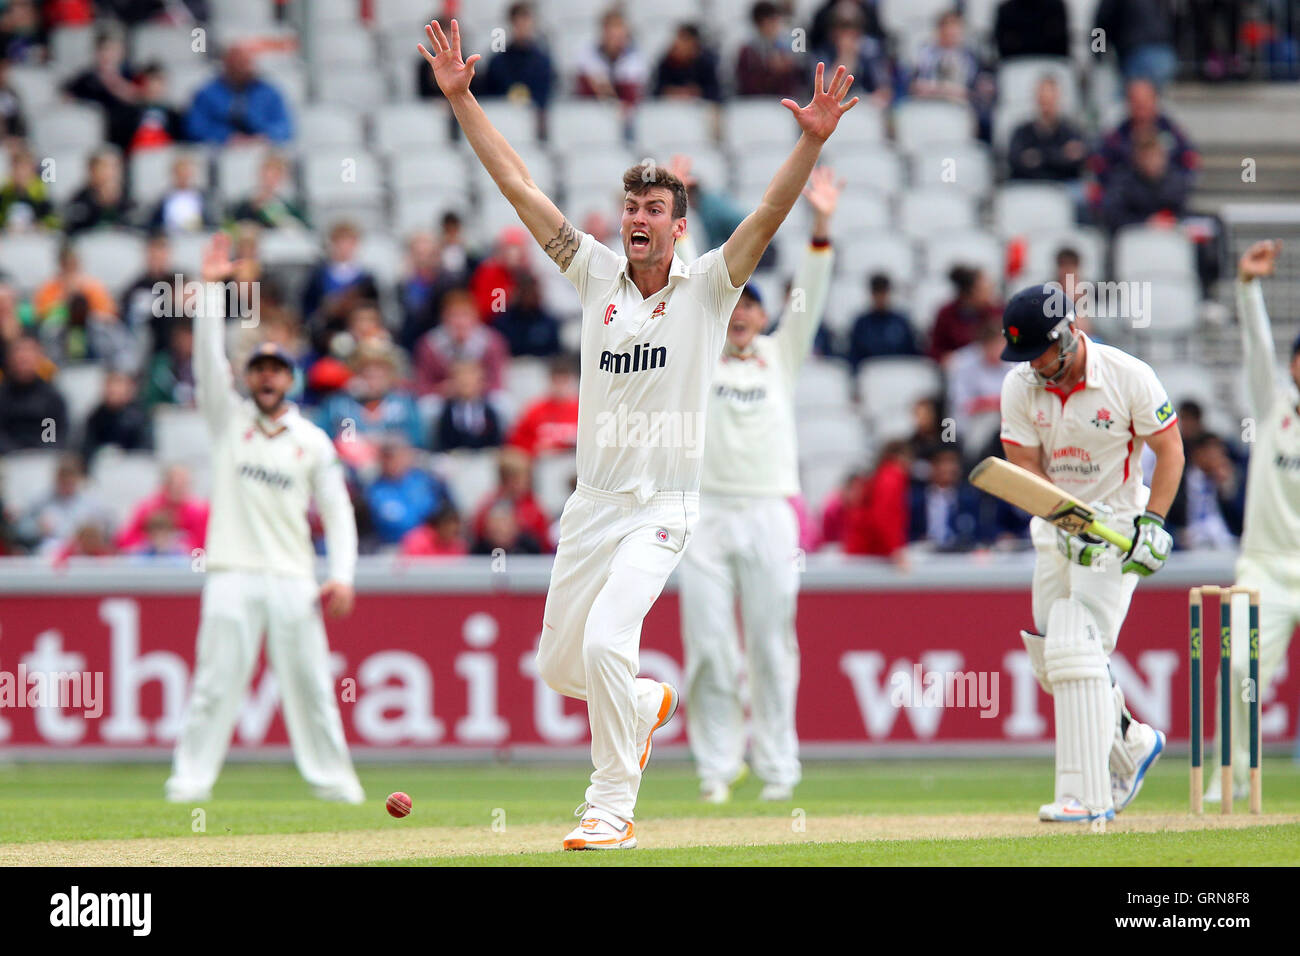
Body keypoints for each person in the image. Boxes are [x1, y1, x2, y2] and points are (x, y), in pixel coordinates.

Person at [419, 18, 858, 849]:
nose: (637, 217)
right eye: (630, 205)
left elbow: (767, 213)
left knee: (611, 639)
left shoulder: (709, 289)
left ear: (679, 224)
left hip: (665, 505)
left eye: (654, 207)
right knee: (561, 666)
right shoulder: (591, 274)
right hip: (593, 505)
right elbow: (517, 185)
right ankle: (648, 701)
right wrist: (461, 98)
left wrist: (809, 145)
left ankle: (610, 808)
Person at [165, 233, 364, 805]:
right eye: (260, 370)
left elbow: (337, 513)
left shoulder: (312, 441)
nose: (269, 378)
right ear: (249, 377)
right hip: (231, 572)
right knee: (214, 685)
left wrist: (343, 573)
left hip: (293, 578)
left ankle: (334, 781)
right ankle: (191, 778)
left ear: (290, 378)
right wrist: (208, 290)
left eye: (278, 370)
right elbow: (207, 364)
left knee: (311, 688)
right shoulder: (228, 423)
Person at [679, 167, 837, 805]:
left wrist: (822, 226)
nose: (740, 315)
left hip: (771, 512)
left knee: (772, 646)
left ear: (765, 315)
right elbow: (691, 283)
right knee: (711, 648)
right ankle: (717, 767)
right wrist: (684, 206)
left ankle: (778, 768)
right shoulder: (695, 348)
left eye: (751, 307)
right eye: (733, 305)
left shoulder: (780, 355)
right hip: (703, 513)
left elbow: (814, 295)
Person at [997, 283, 1183, 822]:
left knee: (1077, 648)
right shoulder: (1020, 385)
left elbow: (1170, 451)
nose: (1033, 364)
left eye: (1040, 351)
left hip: (1115, 528)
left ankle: (1086, 797)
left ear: (1068, 334)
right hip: (1055, 525)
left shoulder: (1128, 375)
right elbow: (1020, 463)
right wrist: (1061, 514)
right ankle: (1132, 743)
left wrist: (1153, 523)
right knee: (1049, 653)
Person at [1206, 240, 1300, 802]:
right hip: (1265, 566)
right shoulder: (1274, 406)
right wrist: (1247, 287)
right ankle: (1231, 773)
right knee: (1238, 667)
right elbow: (1256, 349)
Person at [186, 44, 293, 145]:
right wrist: (226, 137)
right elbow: (195, 128)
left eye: (245, 63)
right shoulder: (207, 94)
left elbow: (285, 127)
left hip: (262, 149)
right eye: (236, 63)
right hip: (219, 151)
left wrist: (264, 137)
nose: (241, 68)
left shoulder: (269, 93)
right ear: (226, 65)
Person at [1007, 76, 1088, 185]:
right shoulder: (1021, 132)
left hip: (1064, 186)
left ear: (1058, 98)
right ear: (1036, 99)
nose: (1046, 103)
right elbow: (1016, 161)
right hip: (1029, 187)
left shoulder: (1071, 131)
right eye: (1043, 98)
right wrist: (1061, 155)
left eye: (1050, 98)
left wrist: (1038, 157)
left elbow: (1078, 160)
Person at [478, 2, 554, 109]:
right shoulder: (497, 62)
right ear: (511, 24)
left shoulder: (543, 62)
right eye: (518, 23)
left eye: (526, 22)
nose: (522, 28)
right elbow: (489, 97)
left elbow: (545, 98)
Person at [0, 334, 66, 451]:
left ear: (38, 357)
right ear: (9, 359)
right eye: (18, 353)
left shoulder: (51, 398)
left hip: (43, 460)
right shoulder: (3, 397)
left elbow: (53, 436)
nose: (23, 358)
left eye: (28, 353)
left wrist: (37, 453)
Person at [846, 273, 919, 370]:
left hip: (898, 373)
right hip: (871, 376)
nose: (881, 298)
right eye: (877, 293)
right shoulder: (861, 324)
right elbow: (854, 356)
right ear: (872, 294)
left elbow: (912, 355)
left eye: (883, 292)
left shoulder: (901, 322)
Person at [735, 1, 804, 99]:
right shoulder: (747, 52)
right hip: (755, 104)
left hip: (781, 103)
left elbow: (796, 83)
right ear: (760, 24)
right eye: (772, 21)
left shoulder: (785, 50)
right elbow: (746, 85)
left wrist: (787, 69)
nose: (776, 27)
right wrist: (768, 70)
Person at [994, 0, 1070, 59]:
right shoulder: (1006, 11)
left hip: (1051, 62)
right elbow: (1003, 46)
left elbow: (1060, 43)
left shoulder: (1055, 7)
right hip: (1016, 64)